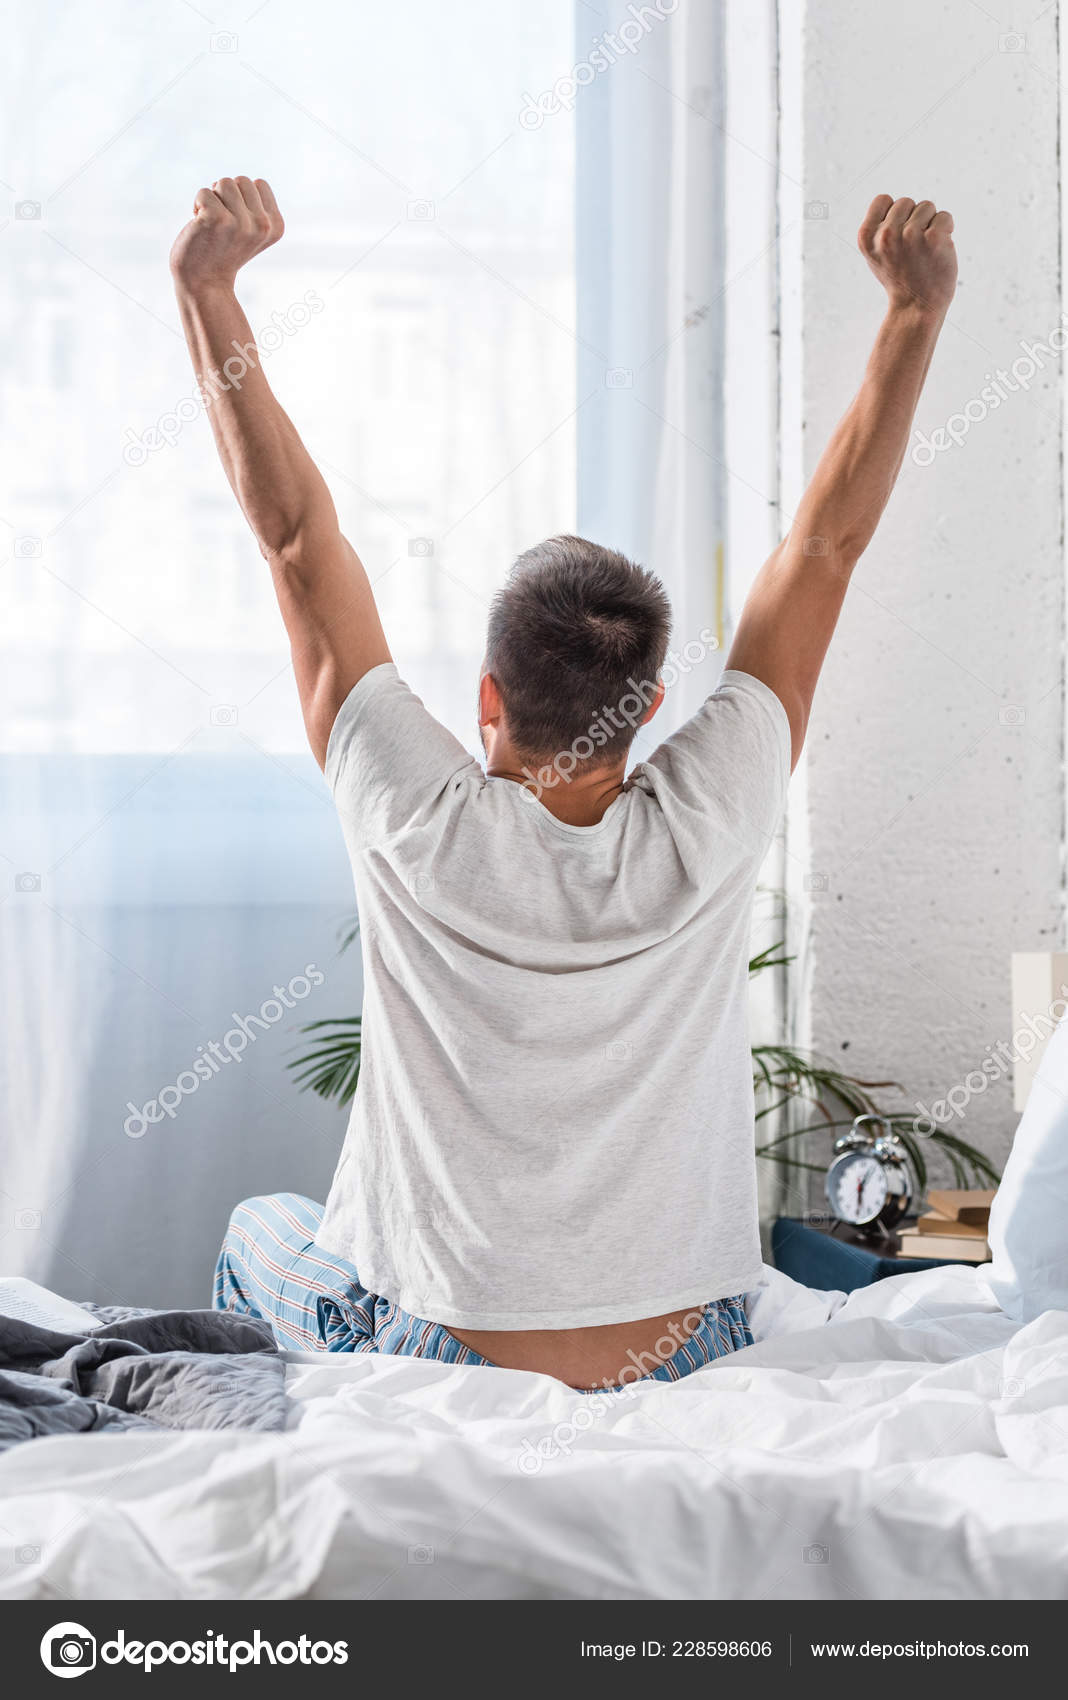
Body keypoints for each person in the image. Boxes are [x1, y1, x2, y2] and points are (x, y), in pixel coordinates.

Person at [172, 179, 958, 1389]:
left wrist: (207, 288)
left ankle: (301, 1435)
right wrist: (914, 312)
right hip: (684, 1344)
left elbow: (294, 543)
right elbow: (824, 550)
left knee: (255, 1233)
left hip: (445, 1347)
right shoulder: (714, 809)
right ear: (647, 709)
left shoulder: (414, 812)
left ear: (487, 698)